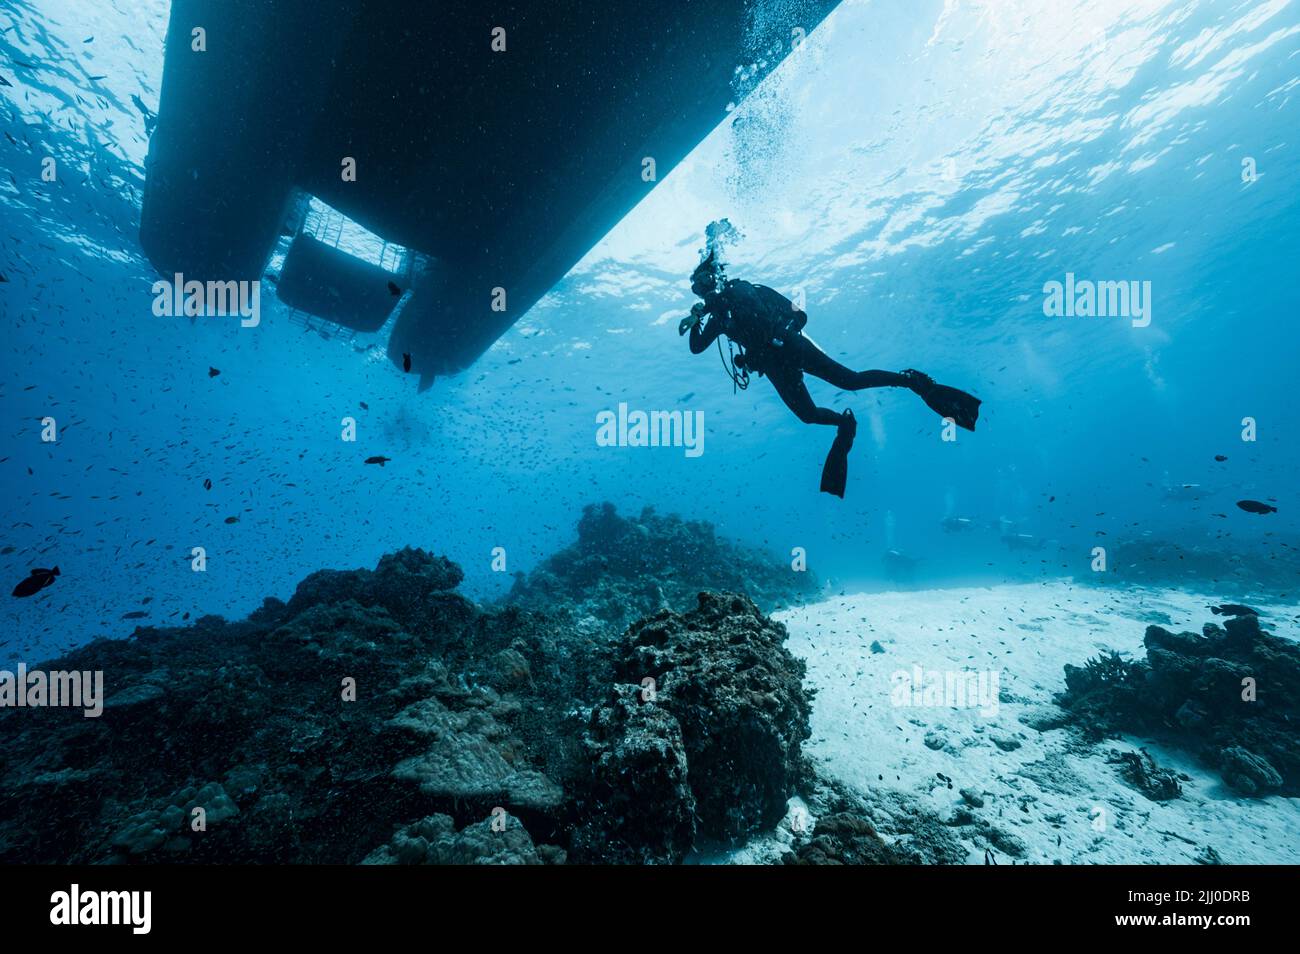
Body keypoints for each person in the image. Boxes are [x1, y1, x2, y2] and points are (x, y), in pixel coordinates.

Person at [679, 251, 980, 497]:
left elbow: (799, 312)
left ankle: (911, 380)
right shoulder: (719, 319)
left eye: (704, 282)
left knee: (850, 381)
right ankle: (844, 424)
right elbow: (696, 348)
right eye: (697, 288)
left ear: (717, 277)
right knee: (807, 415)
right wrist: (695, 320)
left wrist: (783, 335)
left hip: (791, 347)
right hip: (774, 365)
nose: (703, 290)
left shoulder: (752, 290)